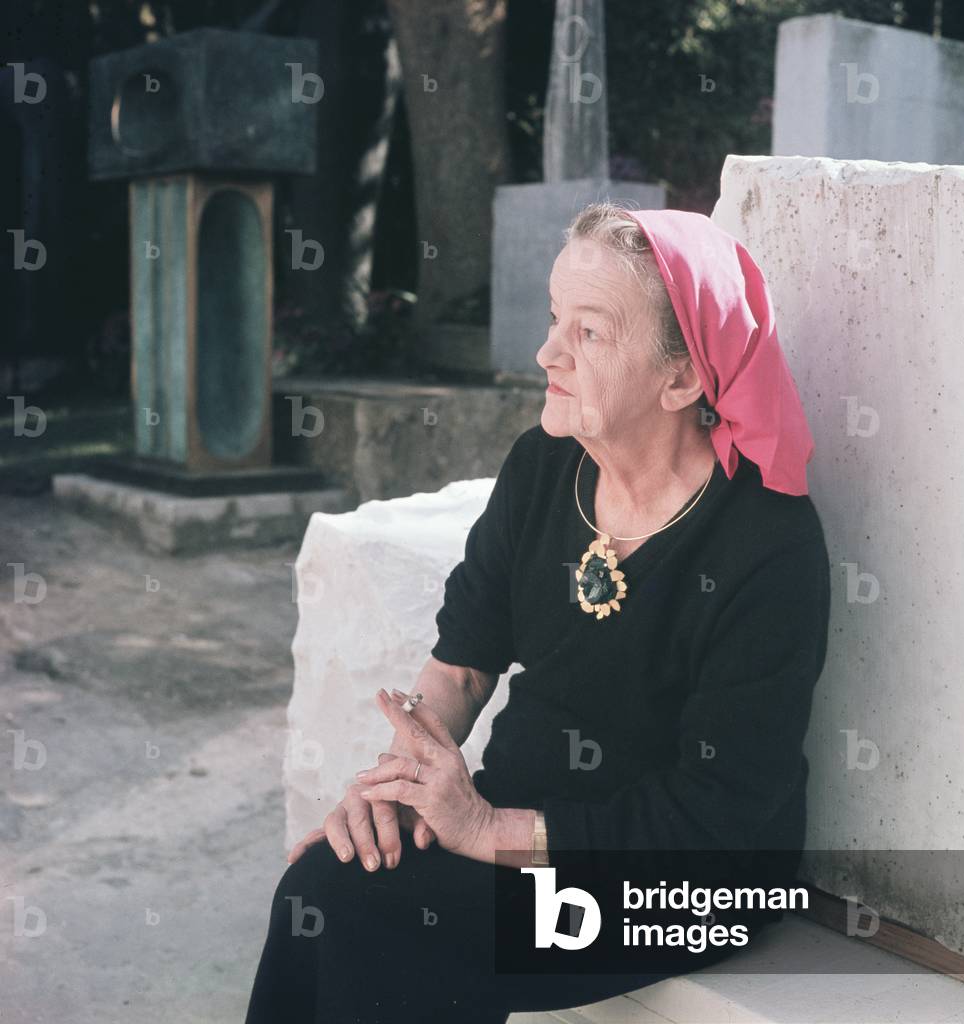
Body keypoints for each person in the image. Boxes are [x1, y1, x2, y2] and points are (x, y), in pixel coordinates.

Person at [244, 202, 831, 1022]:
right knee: (326, 883)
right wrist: (398, 783)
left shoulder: (766, 545)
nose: (546, 352)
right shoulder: (544, 466)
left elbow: (715, 813)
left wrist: (487, 828)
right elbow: (461, 662)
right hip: (522, 817)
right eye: (555, 318)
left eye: (589, 333)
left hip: (678, 880)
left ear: (682, 377)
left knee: (391, 927)